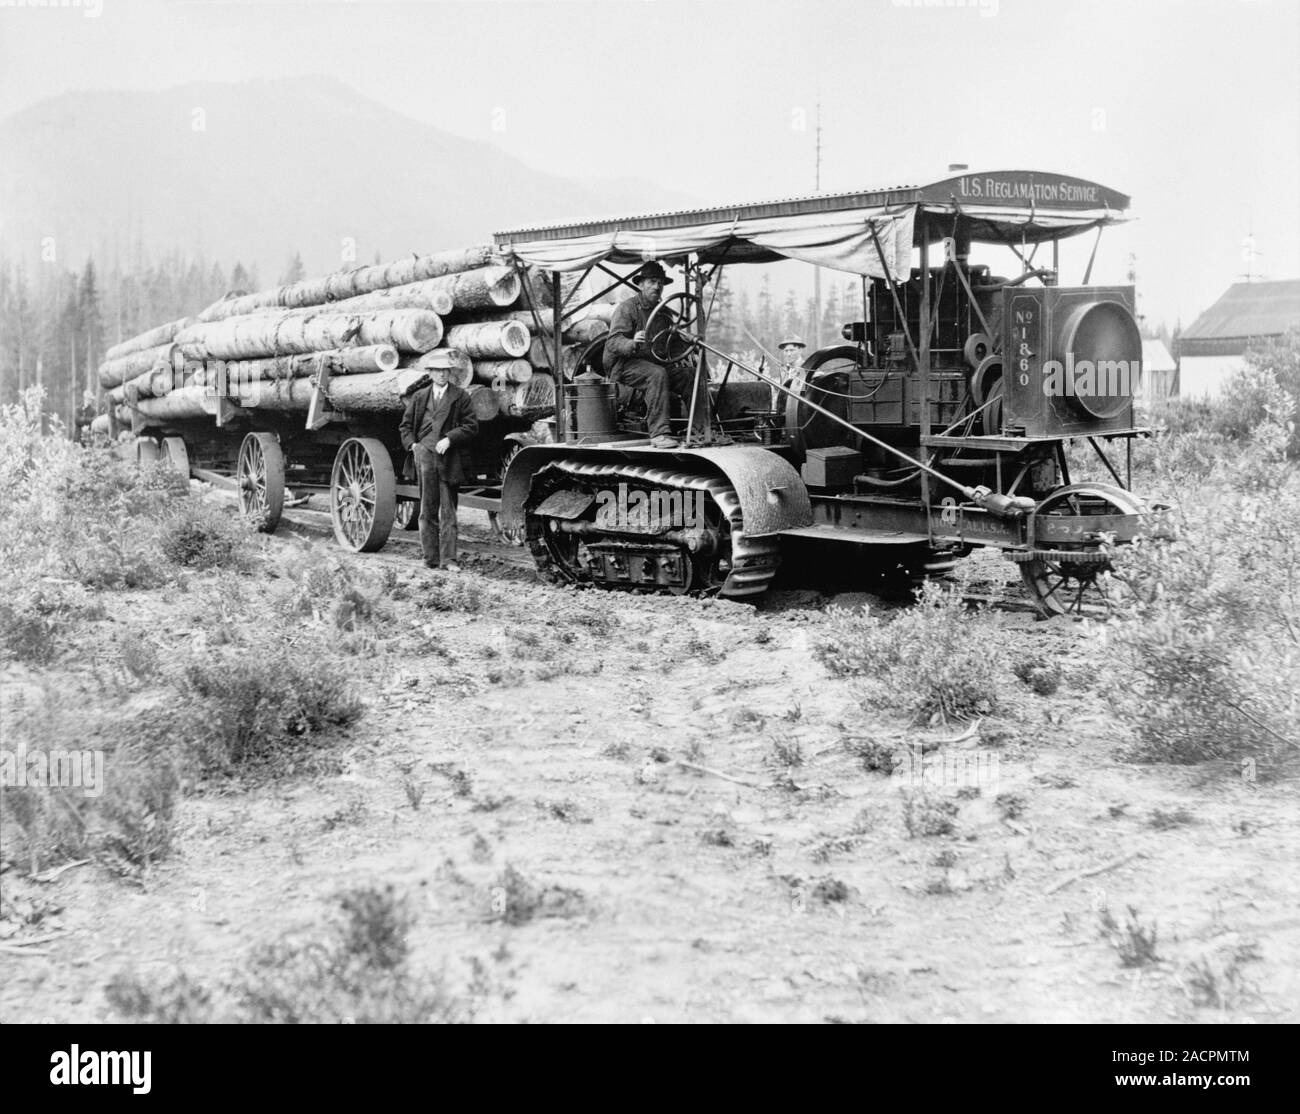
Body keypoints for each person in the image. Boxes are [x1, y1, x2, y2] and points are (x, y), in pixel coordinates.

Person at [603, 261, 699, 449]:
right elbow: (612, 342)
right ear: (640, 284)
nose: (657, 286)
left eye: (660, 283)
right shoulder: (627, 309)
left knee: (690, 374)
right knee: (656, 374)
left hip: (655, 363)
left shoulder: (663, 313)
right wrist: (631, 343)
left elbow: (672, 343)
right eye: (652, 281)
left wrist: (690, 345)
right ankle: (660, 434)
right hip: (625, 366)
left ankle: (700, 428)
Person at [399, 364, 478, 572]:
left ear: (450, 373)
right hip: (425, 456)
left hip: (449, 459)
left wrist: (450, 439)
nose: (442, 374)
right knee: (427, 509)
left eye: (445, 370)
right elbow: (405, 426)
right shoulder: (419, 396)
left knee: (448, 511)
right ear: (430, 373)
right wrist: (413, 446)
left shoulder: (461, 396)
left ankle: (449, 560)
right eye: (437, 370)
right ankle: (430, 559)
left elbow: (471, 426)